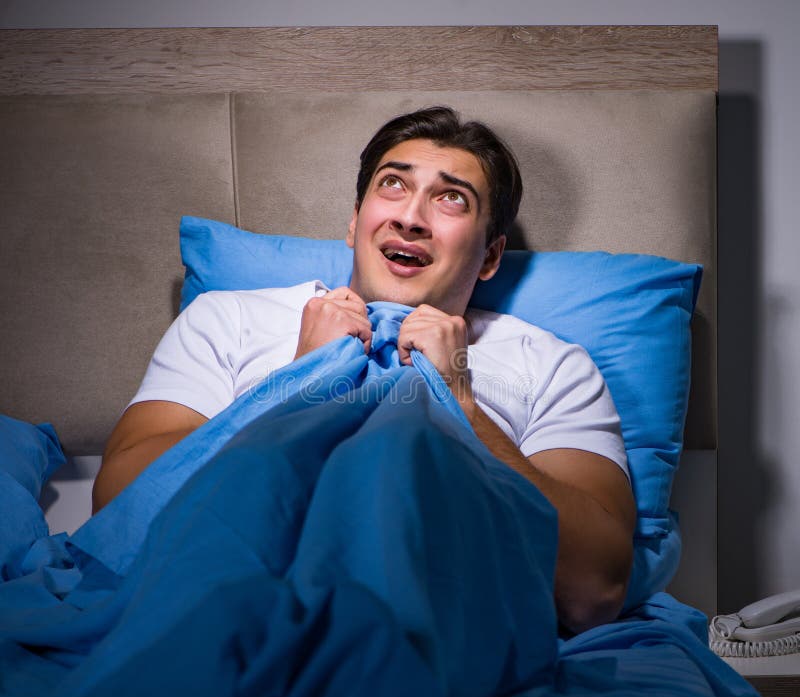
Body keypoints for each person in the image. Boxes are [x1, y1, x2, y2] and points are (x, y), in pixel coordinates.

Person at [93, 107, 636, 634]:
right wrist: (297, 387)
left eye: (451, 198)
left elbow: (596, 590)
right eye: (393, 185)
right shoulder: (229, 320)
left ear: (492, 256)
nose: (410, 217)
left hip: (439, 626)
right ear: (355, 223)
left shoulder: (552, 366)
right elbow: (118, 505)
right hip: (220, 613)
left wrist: (463, 407)